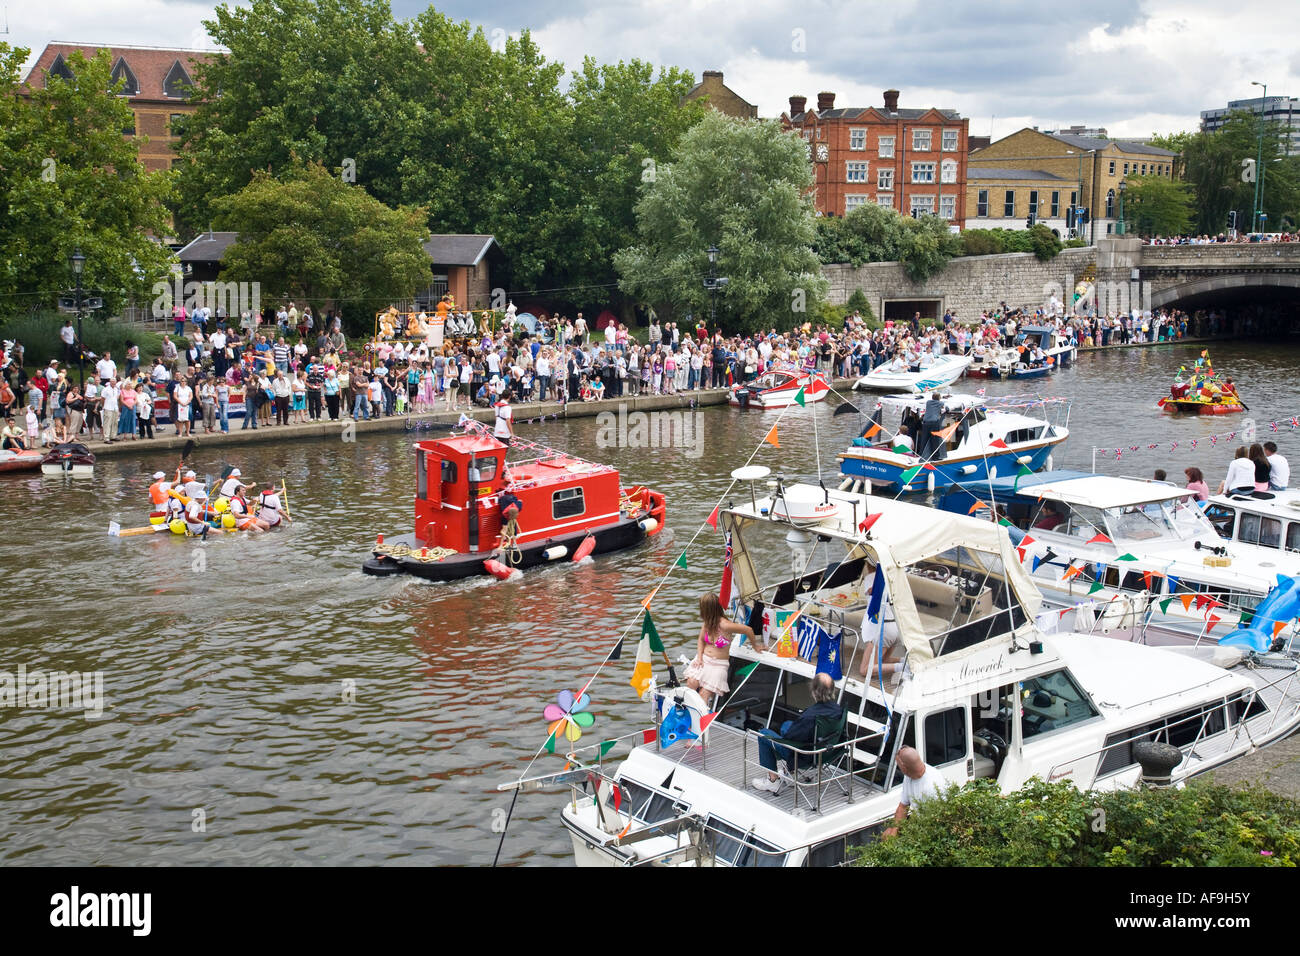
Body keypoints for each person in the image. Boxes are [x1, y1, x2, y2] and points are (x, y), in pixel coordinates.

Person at [751, 672, 842, 795]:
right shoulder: (838, 710)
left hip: (805, 755)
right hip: (828, 752)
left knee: (763, 734)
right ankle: (789, 773)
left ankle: (773, 781)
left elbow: (790, 738)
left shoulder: (810, 715)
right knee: (786, 725)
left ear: (813, 691)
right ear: (832, 690)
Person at [685, 593, 761, 710]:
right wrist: (699, 657)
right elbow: (701, 640)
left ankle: (698, 722)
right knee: (691, 683)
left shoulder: (725, 625)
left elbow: (748, 630)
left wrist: (755, 646)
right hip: (704, 659)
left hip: (718, 665)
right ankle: (688, 712)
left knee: (703, 696)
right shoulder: (706, 623)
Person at [882, 746, 948, 838]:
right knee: (887, 834)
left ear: (904, 768)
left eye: (898, 764)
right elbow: (903, 806)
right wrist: (894, 831)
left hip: (931, 828)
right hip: (919, 821)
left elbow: (936, 822)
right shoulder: (909, 775)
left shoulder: (931, 786)